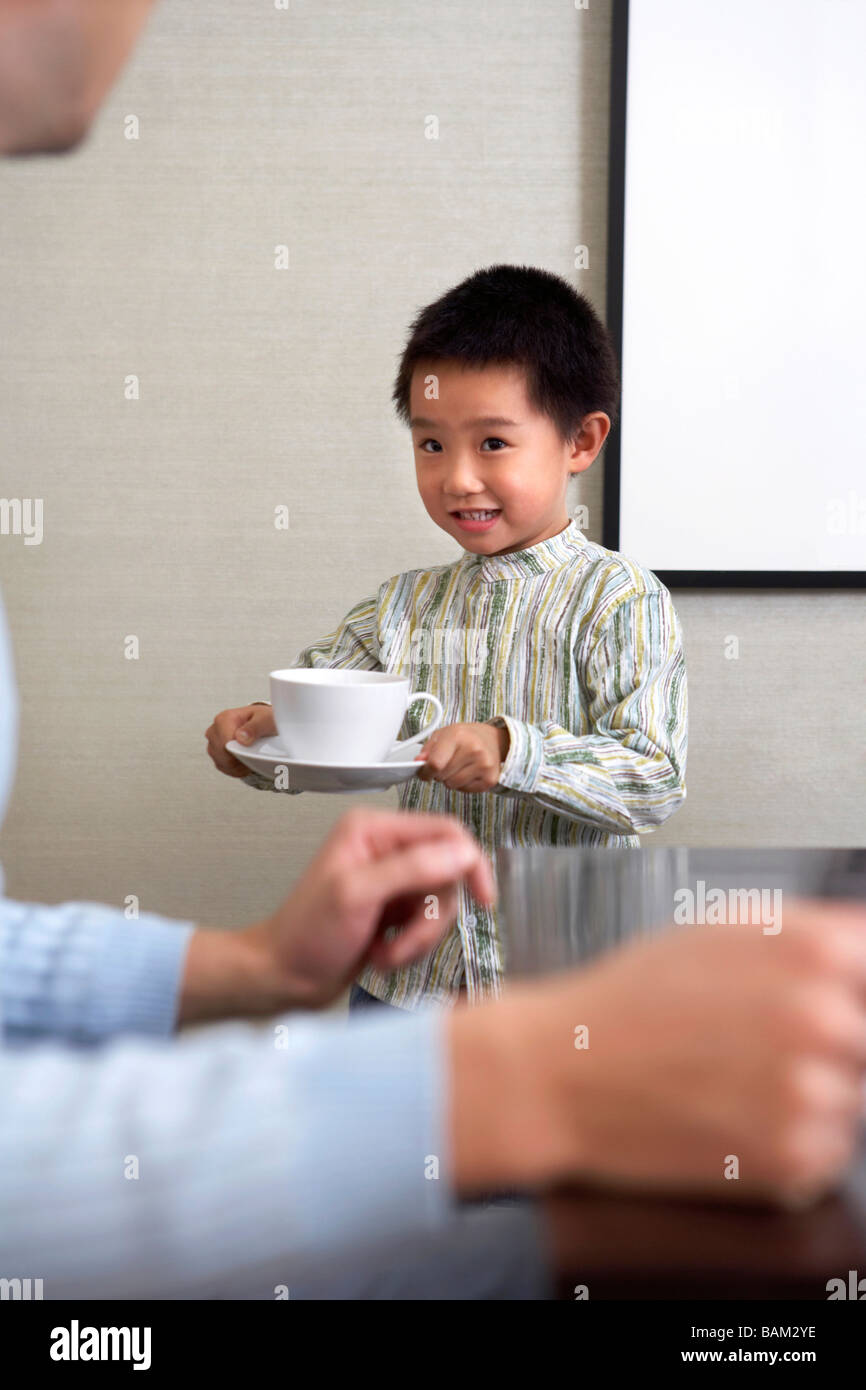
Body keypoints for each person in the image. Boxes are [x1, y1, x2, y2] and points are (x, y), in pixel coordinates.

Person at [206, 265, 689, 1013]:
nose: (458, 478)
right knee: (385, 1132)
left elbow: (654, 776)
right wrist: (256, 735)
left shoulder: (621, 600)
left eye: (493, 442)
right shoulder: (404, 604)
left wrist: (513, 750)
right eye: (431, 445)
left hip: (565, 985)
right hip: (410, 979)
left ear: (581, 441)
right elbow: (322, 709)